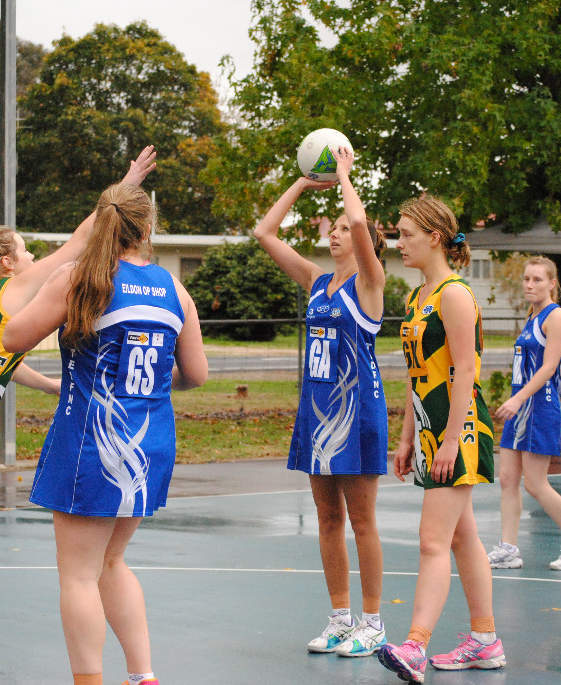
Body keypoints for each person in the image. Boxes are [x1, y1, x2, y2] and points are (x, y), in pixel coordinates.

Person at [0, 148, 156, 685]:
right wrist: (126, 183)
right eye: (24, 249)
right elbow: (82, 240)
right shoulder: (12, 287)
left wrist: (45, 382)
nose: (31, 253)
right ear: (6, 264)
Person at [2, 181, 207, 685]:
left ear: (100, 221)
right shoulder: (173, 288)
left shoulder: (80, 280)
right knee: (111, 562)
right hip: (151, 441)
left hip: (91, 441)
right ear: (147, 228)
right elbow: (197, 374)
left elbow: (11, 337)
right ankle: (143, 675)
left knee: (77, 574)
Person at [253, 146, 389, 657]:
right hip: (316, 413)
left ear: (364, 242)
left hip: (357, 416)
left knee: (362, 520)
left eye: (342, 229)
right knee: (327, 519)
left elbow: (358, 218)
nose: (334, 233)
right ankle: (340, 618)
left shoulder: (370, 282)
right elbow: (265, 233)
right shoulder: (314, 281)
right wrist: (304, 182)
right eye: (328, 229)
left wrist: (347, 176)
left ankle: (373, 621)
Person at [376, 195, 505, 683]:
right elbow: (418, 375)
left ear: (435, 237)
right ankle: (485, 639)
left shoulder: (454, 294)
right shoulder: (417, 297)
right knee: (461, 536)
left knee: (433, 540)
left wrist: (450, 441)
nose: (399, 242)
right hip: (432, 429)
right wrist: (408, 437)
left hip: (460, 427)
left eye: (406, 234)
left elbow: (467, 371)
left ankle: (415, 645)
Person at [488, 256, 561, 572]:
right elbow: (558, 365)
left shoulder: (555, 316)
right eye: (526, 279)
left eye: (536, 279)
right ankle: (509, 549)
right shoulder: (532, 316)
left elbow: (550, 366)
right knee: (508, 479)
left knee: (535, 483)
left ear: (552, 283)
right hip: (524, 408)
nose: (529, 285)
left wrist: (522, 399)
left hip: (536, 408)